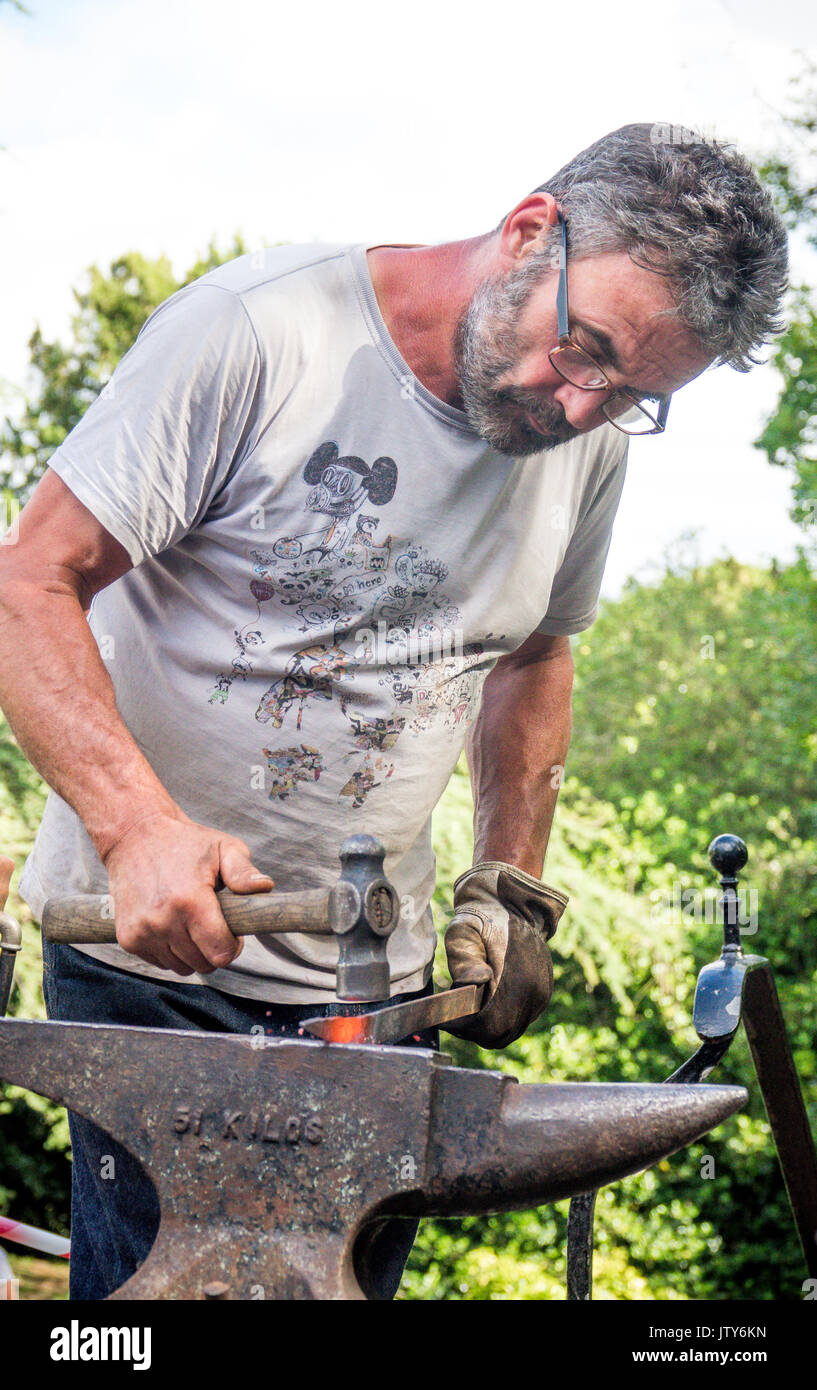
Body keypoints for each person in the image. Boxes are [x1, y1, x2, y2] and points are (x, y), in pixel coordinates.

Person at [0, 123, 788, 1299]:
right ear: (531, 233)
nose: (579, 406)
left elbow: (535, 656)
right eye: (584, 349)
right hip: (154, 970)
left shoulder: (584, 443)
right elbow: (29, 581)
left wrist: (508, 885)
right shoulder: (262, 334)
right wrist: (133, 828)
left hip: (377, 996)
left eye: (632, 396)